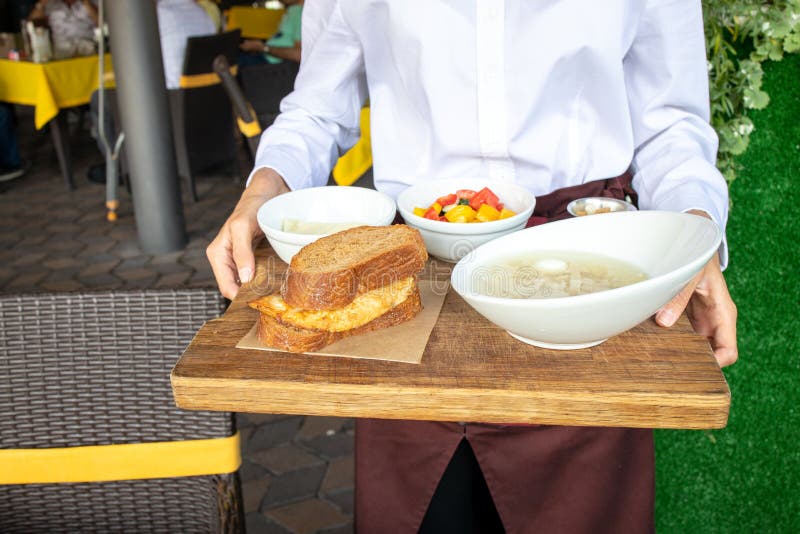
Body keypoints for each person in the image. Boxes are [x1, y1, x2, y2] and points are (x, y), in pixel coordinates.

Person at [208, 1, 738, 532]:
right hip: (410, 273)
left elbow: (670, 124)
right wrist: (263, 191)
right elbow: (318, 109)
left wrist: (695, 232)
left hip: (594, 272)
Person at [239, 0, 303, 65]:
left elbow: (299, 54)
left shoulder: (302, 13)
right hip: (265, 56)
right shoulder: (293, 10)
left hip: (273, 64)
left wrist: (263, 48)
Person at [27, 0, 97, 58]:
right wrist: (41, 4)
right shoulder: (51, 3)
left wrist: (87, 4)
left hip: (87, 47)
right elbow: (32, 22)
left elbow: (100, 22)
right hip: (62, 49)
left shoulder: (91, 2)